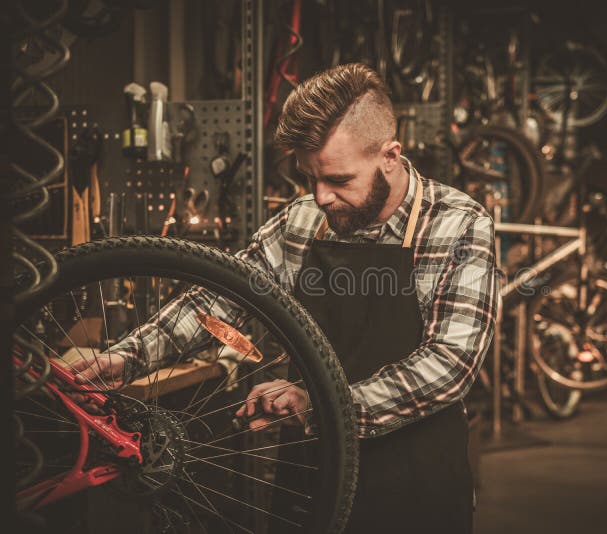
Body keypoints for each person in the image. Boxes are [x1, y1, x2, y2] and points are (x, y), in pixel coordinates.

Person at [73, 63, 498, 533]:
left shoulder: (457, 224)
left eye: (338, 180)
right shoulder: (300, 222)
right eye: (308, 178)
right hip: (312, 479)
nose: (320, 197)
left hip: (417, 485)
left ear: (390, 156)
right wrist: (127, 357)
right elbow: (220, 299)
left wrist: (322, 405)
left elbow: (449, 363)